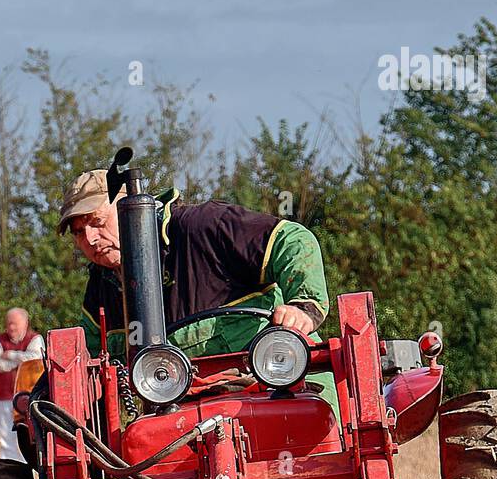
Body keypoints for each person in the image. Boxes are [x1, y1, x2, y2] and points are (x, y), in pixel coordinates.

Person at [58, 167, 337, 410]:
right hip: (184, 423)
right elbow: (86, 358)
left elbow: (292, 240)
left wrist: (304, 307)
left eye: (97, 222)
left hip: (281, 394)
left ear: (128, 208)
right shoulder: (101, 288)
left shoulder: (202, 228)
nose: (90, 239)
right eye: (78, 232)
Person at [0, 308, 45, 461]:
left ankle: (29, 467)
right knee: (5, 435)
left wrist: (11, 355)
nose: (11, 328)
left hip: (28, 397)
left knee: (28, 435)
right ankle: (10, 466)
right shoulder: (0, 340)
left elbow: (35, 358)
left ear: (25, 323)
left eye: (15, 324)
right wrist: (16, 363)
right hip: (4, 396)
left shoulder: (35, 338)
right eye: (8, 324)